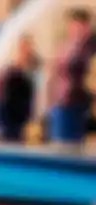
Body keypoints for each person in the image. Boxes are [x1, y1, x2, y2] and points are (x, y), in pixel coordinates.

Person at [47, 8, 96, 150]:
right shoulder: (66, 46)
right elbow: (54, 73)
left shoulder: (90, 47)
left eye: (80, 25)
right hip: (61, 103)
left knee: (72, 147)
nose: (75, 29)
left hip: (78, 104)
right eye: (73, 25)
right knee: (59, 145)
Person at [0, 36, 38, 142]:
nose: (27, 51)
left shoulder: (30, 70)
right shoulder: (11, 72)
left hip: (18, 116)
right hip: (8, 117)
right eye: (24, 48)